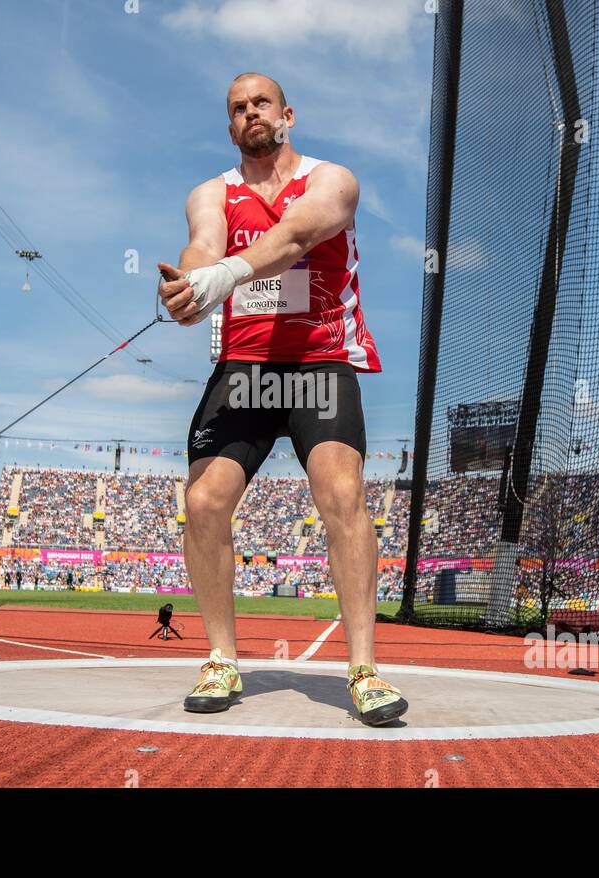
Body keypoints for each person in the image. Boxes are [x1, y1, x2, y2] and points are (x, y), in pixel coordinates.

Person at [156, 73, 406, 726]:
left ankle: (363, 669)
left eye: (261, 103)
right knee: (204, 500)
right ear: (230, 126)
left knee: (342, 494)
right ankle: (220, 658)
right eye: (237, 109)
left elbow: (296, 236)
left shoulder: (333, 179)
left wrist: (227, 275)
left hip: (318, 361)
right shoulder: (213, 191)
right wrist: (190, 283)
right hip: (245, 367)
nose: (250, 114)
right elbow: (203, 244)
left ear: (287, 114)